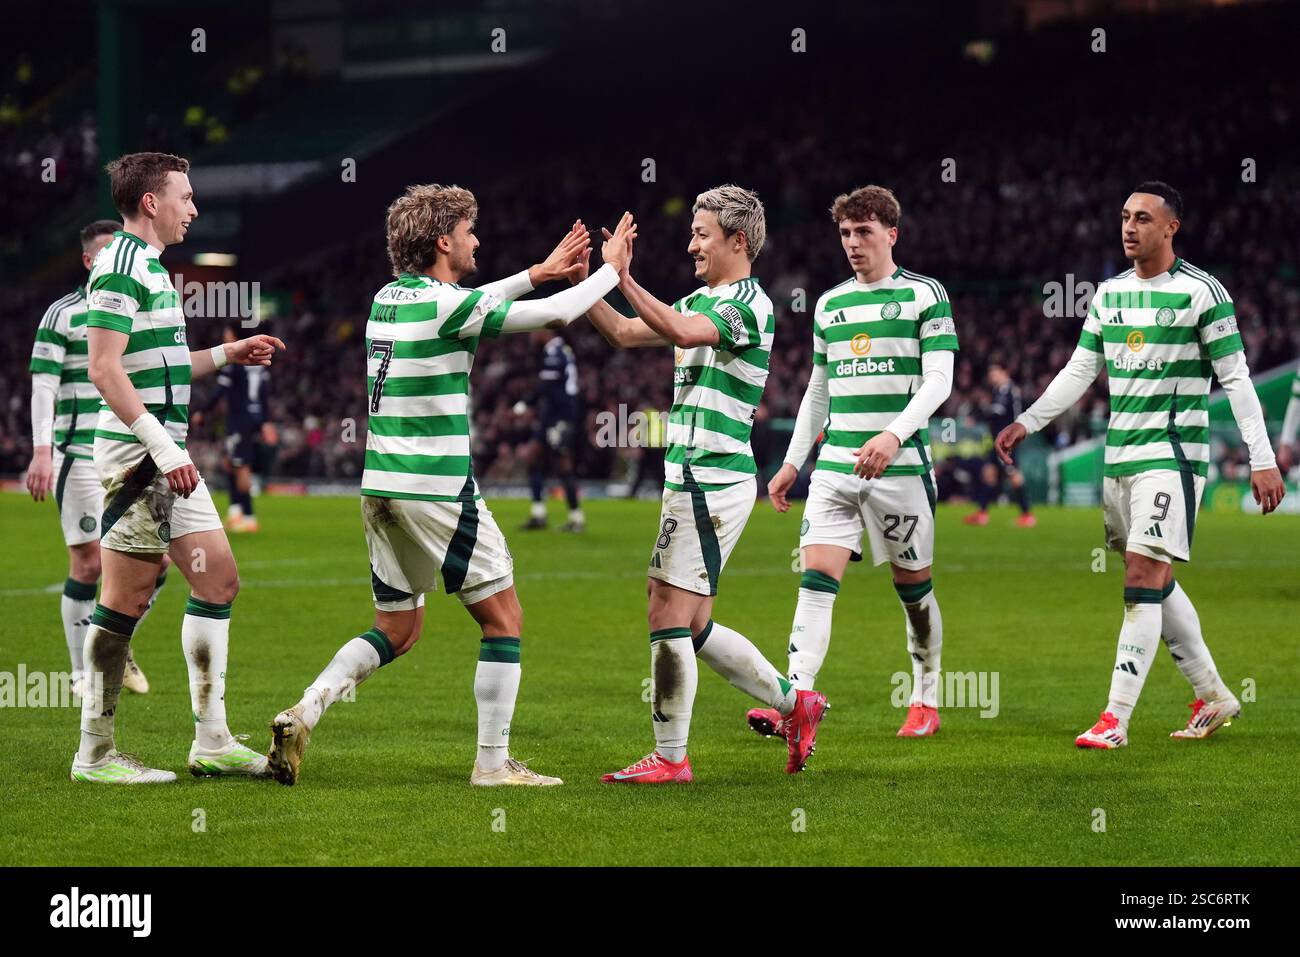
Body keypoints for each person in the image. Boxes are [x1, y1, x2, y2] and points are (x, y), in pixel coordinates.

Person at [265, 185, 633, 787]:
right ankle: (493, 765)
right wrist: (610, 273)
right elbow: (557, 316)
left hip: (380, 486)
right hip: (436, 486)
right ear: (443, 241)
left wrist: (533, 273)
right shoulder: (444, 305)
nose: (477, 240)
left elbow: (468, 304)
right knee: (504, 618)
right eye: (469, 231)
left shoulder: (389, 298)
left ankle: (306, 709)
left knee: (398, 629)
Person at [997, 181, 1285, 748]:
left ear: (1171, 227)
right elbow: (1081, 370)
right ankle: (1214, 693)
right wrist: (1029, 420)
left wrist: (1263, 457)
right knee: (1159, 578)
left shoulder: (1204, 294)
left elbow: (1236, 380)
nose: (1130, 227)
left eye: (1143, 218)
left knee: (1139, 578)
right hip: (1119, 457)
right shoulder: (1108, 294)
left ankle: (1115, 718)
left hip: (1172, 456)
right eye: (1125, 217)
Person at [582, 188, 829, 784]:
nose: (691, 243)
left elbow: (685, 333)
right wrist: (587, 282)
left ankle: (671, 759)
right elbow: (622, 332)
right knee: (691, 624)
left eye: (702, 234)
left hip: (710, 478)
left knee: (663, 606)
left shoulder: (749, 304)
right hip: (692, 477)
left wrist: (621, 275)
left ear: (737, 241)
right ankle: (797, 705)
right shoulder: (702, 299)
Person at [74, 151, 285, 783]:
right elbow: (103, 368)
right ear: (151, 203)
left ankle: (213, 741)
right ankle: (95, 754)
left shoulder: (152, 271)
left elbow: (156, 368)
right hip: (142, 459)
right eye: (186, 197)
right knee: (124, 600)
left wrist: (226, 354)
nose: (193, 209)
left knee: (217, 581)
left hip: (166, 455)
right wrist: (163, 453)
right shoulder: (118, 264)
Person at [753, 185, 958, 740]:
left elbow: (941, 379)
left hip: (901, 469)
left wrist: (892, 436)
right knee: (815, 582)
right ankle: (795, 698)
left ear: (892, 233)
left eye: (864, 232)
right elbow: (818, 391)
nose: (852, 243)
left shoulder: (925, 296)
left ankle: (925, 697)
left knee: (913, 592)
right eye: (845, 233)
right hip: (837, 468)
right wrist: (794, 462)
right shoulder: (829, 304)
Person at [28, 220, 167, 699]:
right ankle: (82, 674)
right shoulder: (62, 314)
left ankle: (113, 641)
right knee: (88, 565)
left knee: (159, 562)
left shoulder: (137, 305)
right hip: (81, 455)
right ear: (90, 260)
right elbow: (43, 384)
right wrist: (42, 451)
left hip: (130, 453)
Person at [193, 324, 278, 532]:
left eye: (227, 334)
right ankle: (236, 511)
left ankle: (248, 517)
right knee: (230, 463)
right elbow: (263, 393)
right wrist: (265, 420)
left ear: (235, 336)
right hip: (249, 419)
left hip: (239, 420)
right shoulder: (257, 362)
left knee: (241, 467)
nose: (224, 337)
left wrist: (202, 411)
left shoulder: (236, 361)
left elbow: (220, 390)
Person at [520, 329, 584, 532]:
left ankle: (575, 519)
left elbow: (548, 386)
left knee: (562, 464)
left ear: (545, 330)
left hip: (559, 416)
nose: (531, 333)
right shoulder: (562, 349)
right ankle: (540, 514)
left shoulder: (554, 351)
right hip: (555, 415)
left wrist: (525, 403)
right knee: (534, 458)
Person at [965, 361, 1035, 527]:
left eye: (995, 373)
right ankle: (982, 513)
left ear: (1005, 373)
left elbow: (997, 412)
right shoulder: (999, 391)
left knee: (1013, 475)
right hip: (997, 440)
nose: (992, 377)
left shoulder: (1009, 390)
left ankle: (1027, 515)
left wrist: (977, 416)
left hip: (1008, 440)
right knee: (989, 473)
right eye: (991, 374)